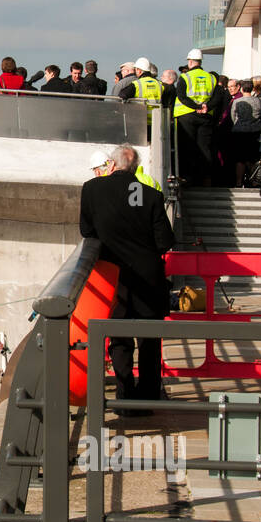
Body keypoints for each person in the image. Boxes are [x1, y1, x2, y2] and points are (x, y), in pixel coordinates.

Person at [80, 144, 175, 415]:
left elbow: (87, 231)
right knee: (149, 342)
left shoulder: (92, 189)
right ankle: (148, 400)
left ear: (112, 164)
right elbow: (165, 241)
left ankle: (124, 400)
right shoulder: (153, 196)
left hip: (112, 278)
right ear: (135, 168)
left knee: (119, 340)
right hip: (149, 279)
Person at [174, 48, 221, 184]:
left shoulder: (185, 77)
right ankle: (206, 178)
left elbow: (182, 96)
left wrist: (196, 107)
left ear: (190, 62)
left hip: (186, 116)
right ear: (200, 62)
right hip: (206, 117)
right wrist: (207, 107)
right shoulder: (211, 77)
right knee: (204, 147)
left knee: (187, 146)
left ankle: (187, 177)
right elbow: (218, 96)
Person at [230, 79, 261, 187]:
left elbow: (233, 116)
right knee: (252, 158)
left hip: (240, 132)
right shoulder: (258, 101)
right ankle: (253, 179)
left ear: (242, 88)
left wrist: (238, 124)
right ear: (252, 88)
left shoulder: (237, 102)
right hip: (254, 132)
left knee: (240, 159)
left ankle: (239, 181)